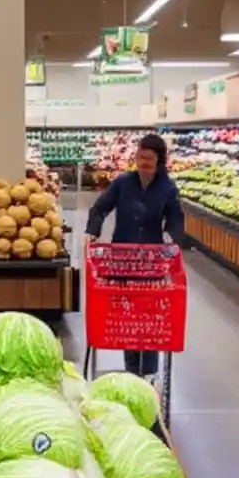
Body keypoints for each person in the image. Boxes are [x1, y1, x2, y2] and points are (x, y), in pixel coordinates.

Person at [85, 133, 184, 378]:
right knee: (128, 317)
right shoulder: (123, 183)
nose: (143, 163)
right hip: (122, 260)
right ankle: (131, 369)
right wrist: (91, 232)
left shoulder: (167, 189)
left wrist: (172, 238)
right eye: (140, 157)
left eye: (149, 159)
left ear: (159, 161)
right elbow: (101, 207)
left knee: (150, 317)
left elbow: (176, 219)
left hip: (152, 262)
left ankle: (149, 373)